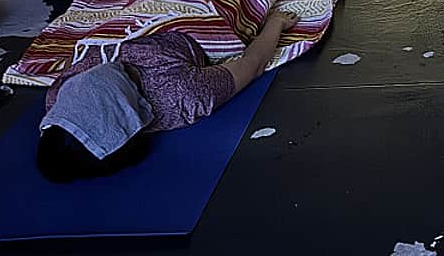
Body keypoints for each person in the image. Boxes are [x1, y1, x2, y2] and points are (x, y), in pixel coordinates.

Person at [37, 11, 297, 182]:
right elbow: (253, 64)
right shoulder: (182, 93)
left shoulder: (62, 94)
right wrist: (276, 23)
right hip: (188, 15)